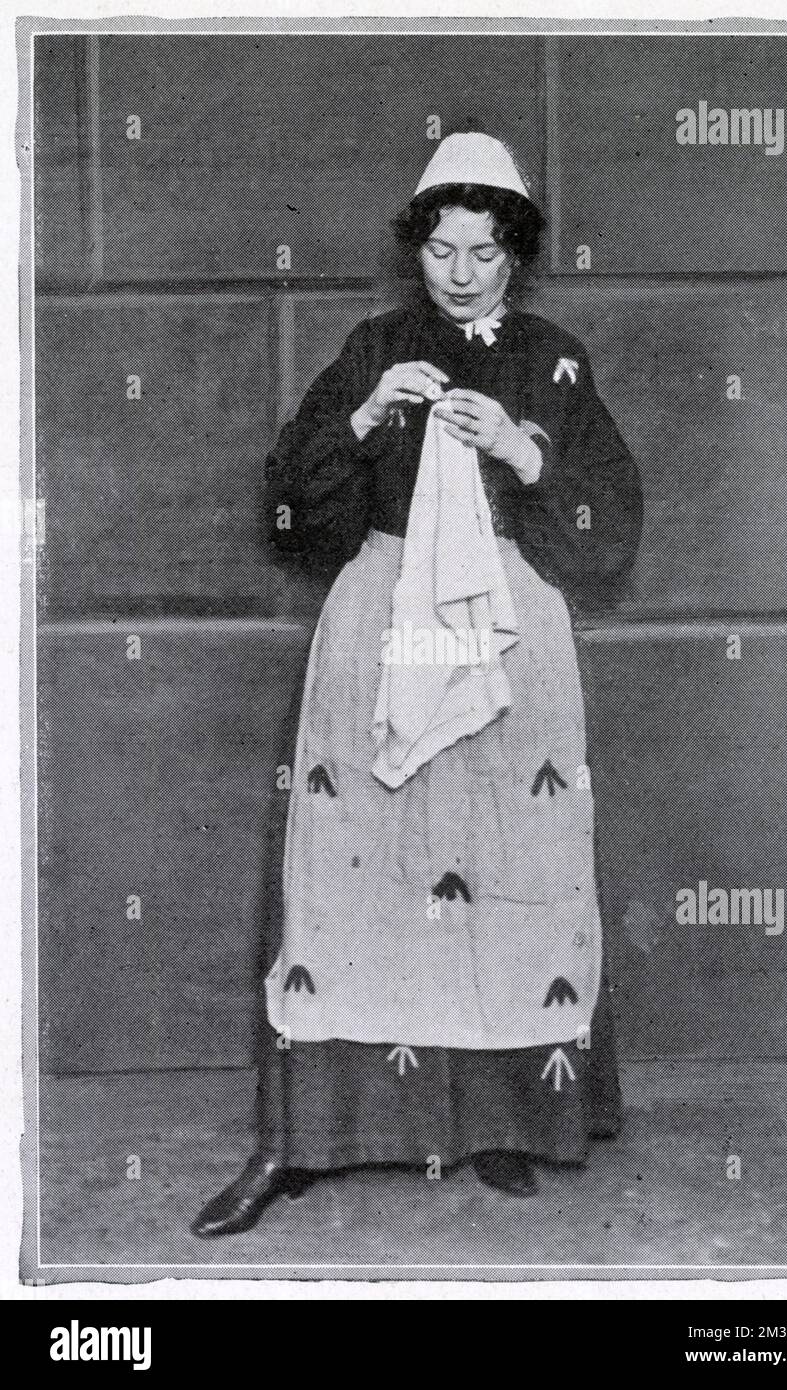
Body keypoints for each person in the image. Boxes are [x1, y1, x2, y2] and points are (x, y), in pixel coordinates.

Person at [192, 133, 642, 1238]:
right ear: (419, 250)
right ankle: (308, 1138)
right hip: (381, 622)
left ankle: (503, 1123)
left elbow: (610, 530)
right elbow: (293, 513)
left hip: (508, 632)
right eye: (441, 248)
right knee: (358, 871)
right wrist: (361, 417)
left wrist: (524, 455)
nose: (458, 272)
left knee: (501, 864)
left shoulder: (554, 360)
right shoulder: (375, 347)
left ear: (517, 255)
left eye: (483, 252)